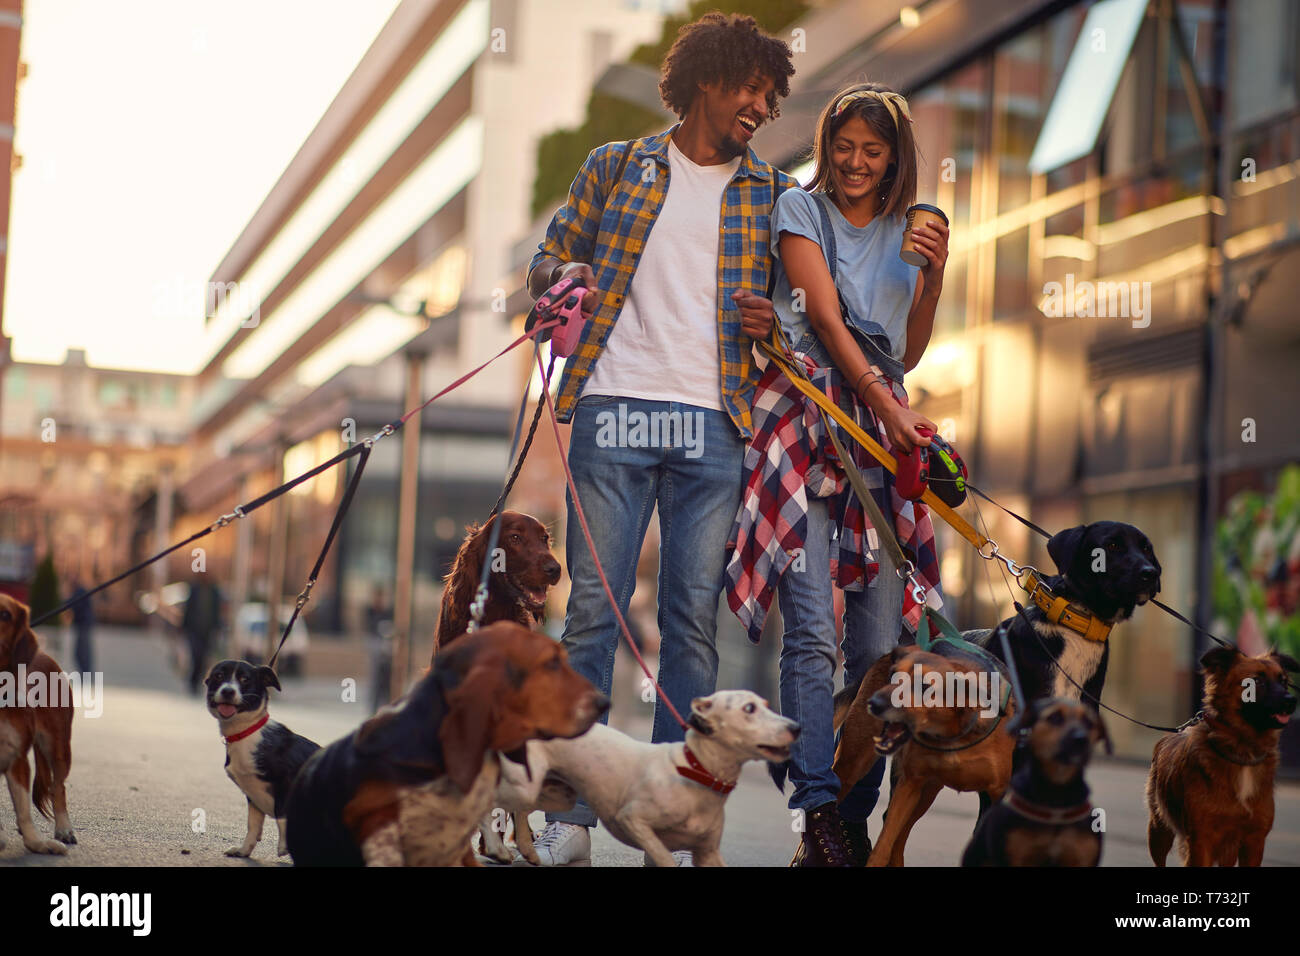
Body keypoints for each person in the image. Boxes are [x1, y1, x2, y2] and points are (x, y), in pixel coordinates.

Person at [523, 12, 797, 866]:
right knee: (595, 616)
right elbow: (547, 259)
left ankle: (679, 817)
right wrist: (563, 280)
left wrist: (775, 318)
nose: (760, 105)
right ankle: (566, 813)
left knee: (689, 623)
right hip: (612, 405)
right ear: (705, 81)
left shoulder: (774, 193)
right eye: (749, 87)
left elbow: (803, 308)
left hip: (715, 422)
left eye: (770, 94)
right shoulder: (616, 166)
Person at [726, 83, 949, 865]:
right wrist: (889, 414)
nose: (856, 162)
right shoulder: (799, 208)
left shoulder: (909, 231)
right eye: (845, 146)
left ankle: (853, 812)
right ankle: (816, 809)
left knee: (881, 645)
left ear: (895, 159)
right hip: (806, 411)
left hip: (881, 424)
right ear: (828, 145)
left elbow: (907, 351)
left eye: (873, 150)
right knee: (812, 631)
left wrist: (938, 275)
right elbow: (822, 320)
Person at [181, 572, 224, 696]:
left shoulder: (215, 592)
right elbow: (188, 608)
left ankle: (197, 680)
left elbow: (217, 611)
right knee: (195, 655)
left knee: (203, 658)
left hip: (208, 631)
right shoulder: (195, 590)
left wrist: (217, 627)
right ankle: (192, 682)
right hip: (193, 630)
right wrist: (183, 626)